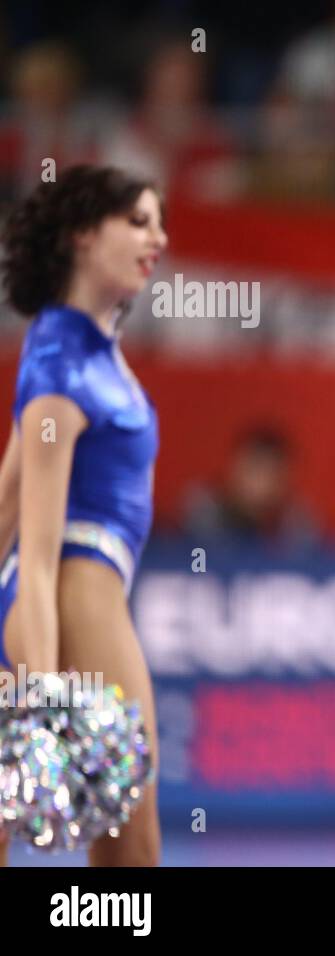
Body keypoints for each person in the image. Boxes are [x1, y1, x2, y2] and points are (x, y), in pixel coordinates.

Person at [0, 164, 167, 865]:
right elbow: (35, 554)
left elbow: (4, 500)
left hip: (70, 597)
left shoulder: (76, 349)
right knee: (132, 859)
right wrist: (35, 700)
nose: (157, 237)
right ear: (78, 235)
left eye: (159, 222)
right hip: (77, 600)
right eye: (137, 221)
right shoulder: (62, 364)